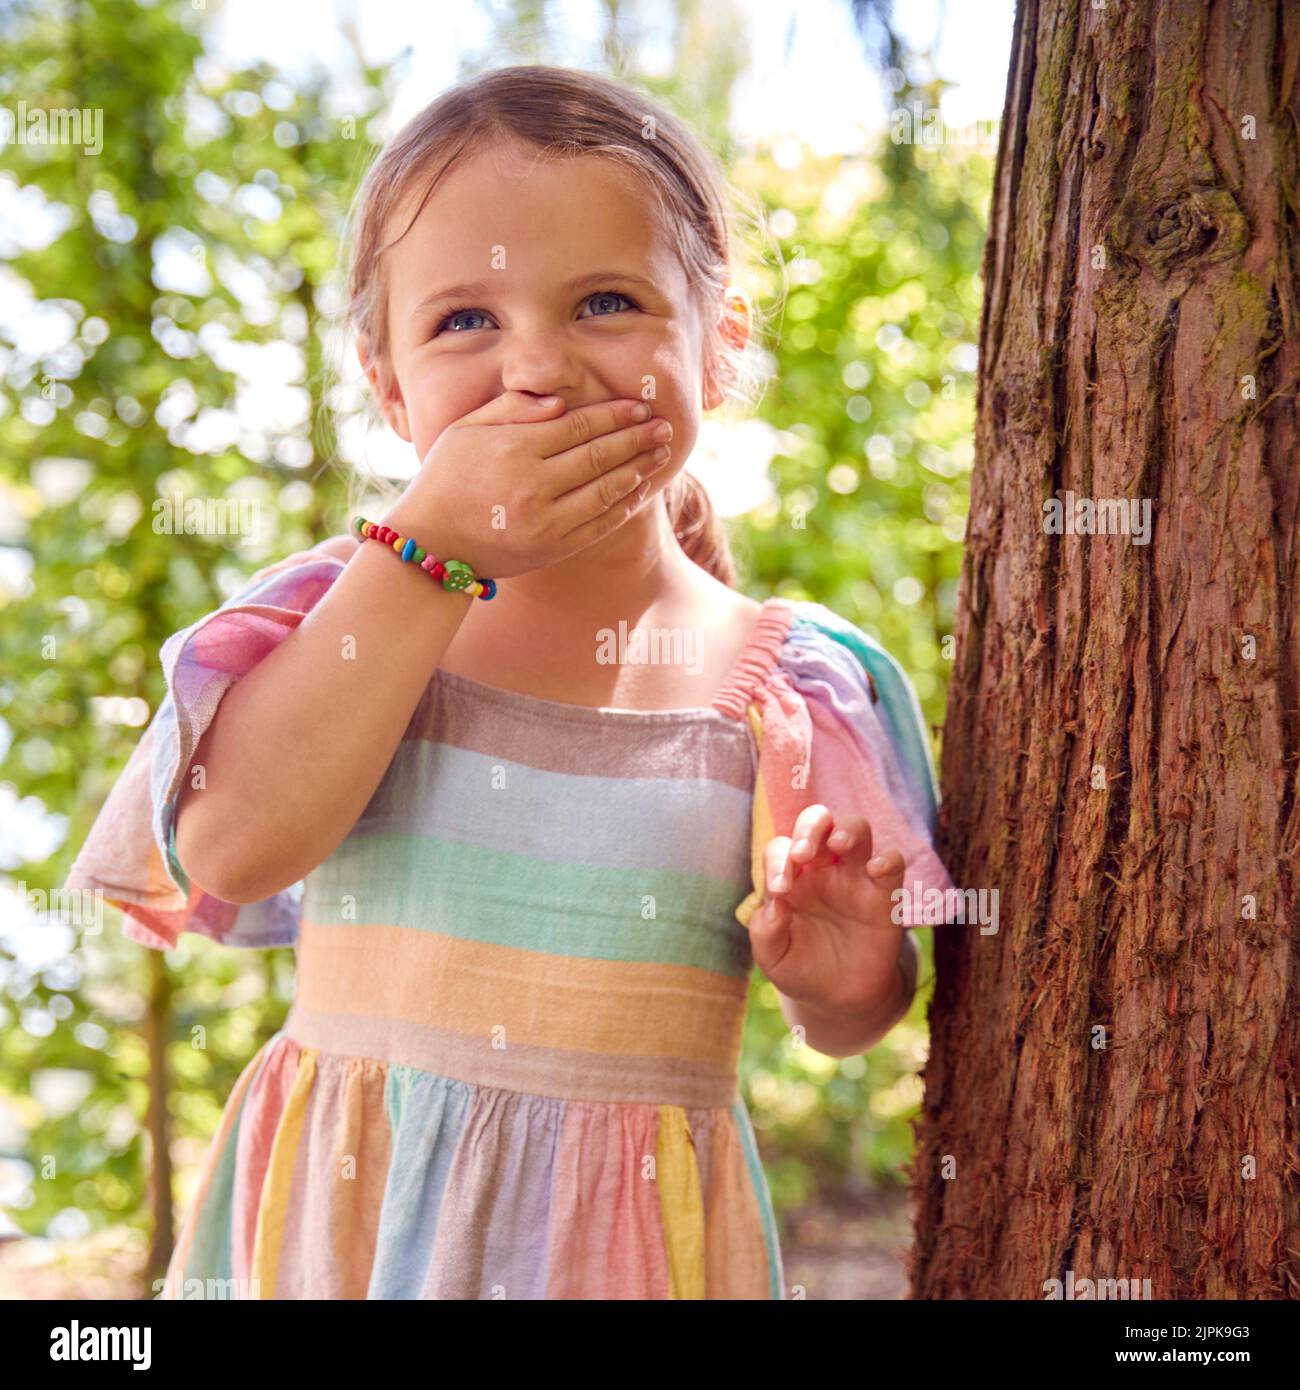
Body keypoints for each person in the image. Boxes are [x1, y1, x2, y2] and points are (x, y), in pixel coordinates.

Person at [65, 64, 954, 1300]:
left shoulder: (786, 685)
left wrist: (849, 972)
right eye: (464, 322)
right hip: (343, 1241)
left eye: (605, 299)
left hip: (624, 1254)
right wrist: (430, 561)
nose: (537, 369)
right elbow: (231, 848)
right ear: (387, 385)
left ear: (718, 351)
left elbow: (855, 1017)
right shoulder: (344, 616)